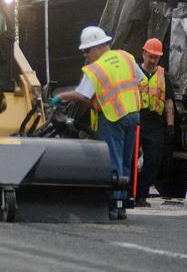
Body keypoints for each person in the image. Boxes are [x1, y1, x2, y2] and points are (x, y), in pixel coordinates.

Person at [52, 26, 144, 219]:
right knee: (127, 161)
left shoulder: (96, 68)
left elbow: (81, 94)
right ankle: (122, 205)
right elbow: (139, 79)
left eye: (86, 51)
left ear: (97, 47)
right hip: (133, 114)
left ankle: (112, 205)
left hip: (112, 117)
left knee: (113, 161)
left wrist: (60, 97)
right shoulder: (126, 57)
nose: (85, 56)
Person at [136, 38, 175, 207]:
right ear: (143, 53)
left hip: (155, 123)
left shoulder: (163, 75)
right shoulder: (134, 72)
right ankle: (129, 191)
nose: (153, 60)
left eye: (156, 57)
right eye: (150, 56)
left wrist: (170, 125)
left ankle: (141, 195)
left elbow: (169, 102)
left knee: (153, 160)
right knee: (132, 159)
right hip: (137, 119)